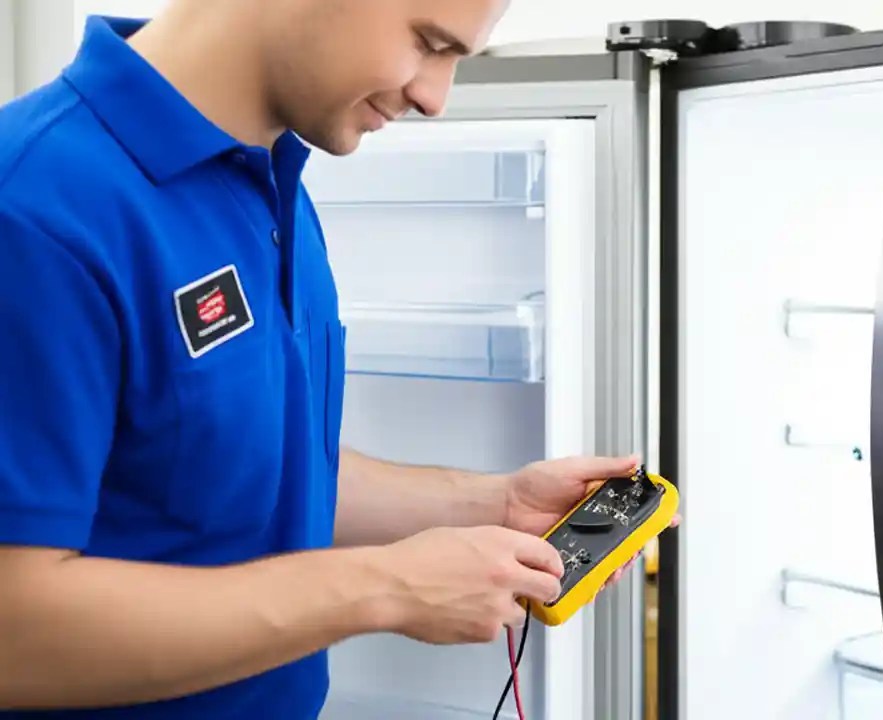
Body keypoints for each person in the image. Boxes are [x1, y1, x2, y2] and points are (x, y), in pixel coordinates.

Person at [0, 1, 675, 717]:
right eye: (427, 43)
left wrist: (494, 503)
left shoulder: (267, 174)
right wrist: (385, 587)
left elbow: (233, 459)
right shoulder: (33, 208)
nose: (434, 97)